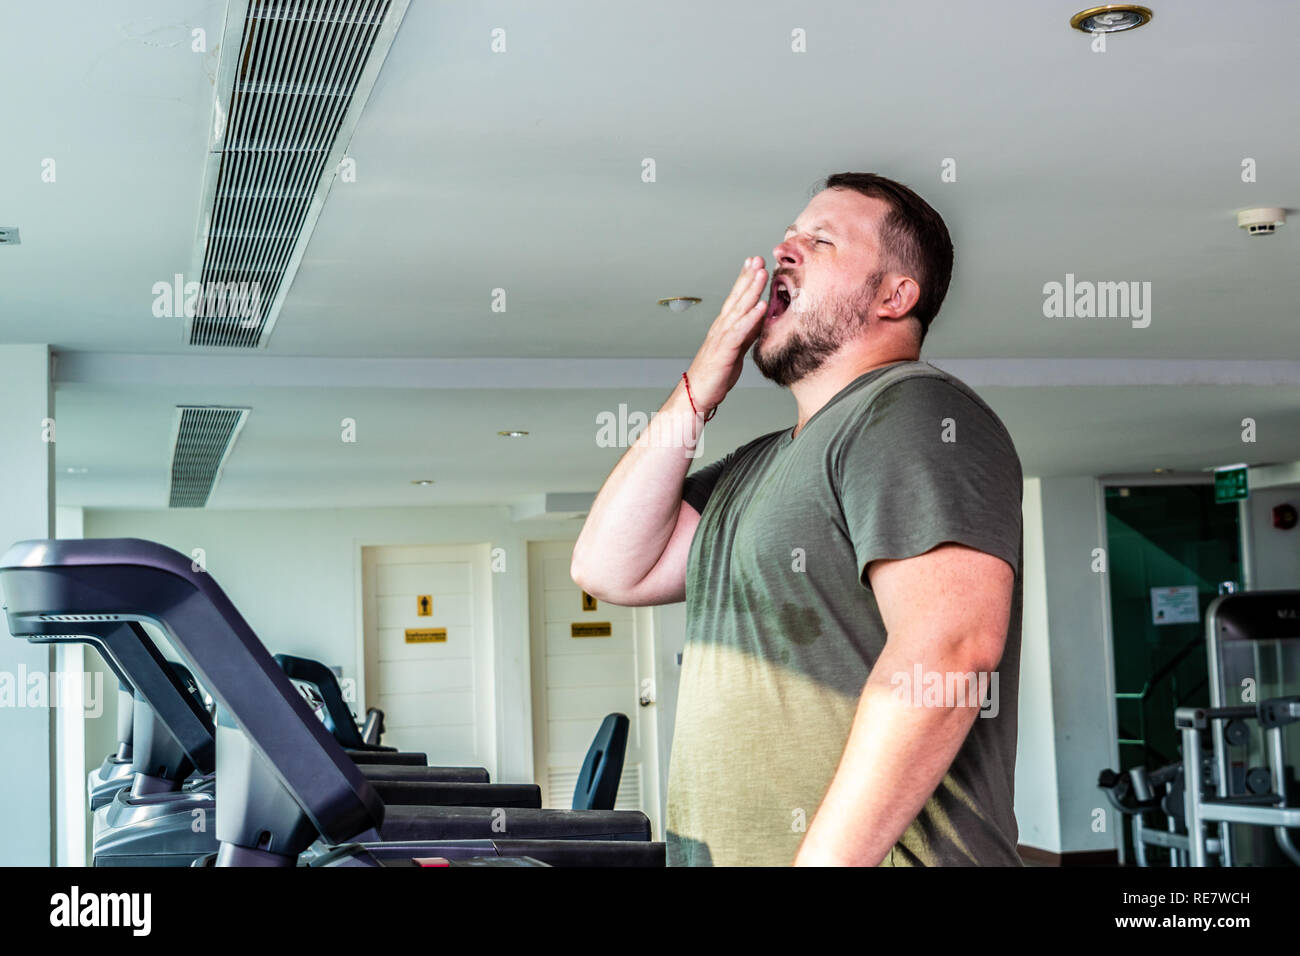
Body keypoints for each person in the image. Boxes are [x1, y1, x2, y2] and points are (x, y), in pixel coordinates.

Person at [571, 172, 1023, 866]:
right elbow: (607, 567)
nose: (785, 251)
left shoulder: (913, 412)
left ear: (894, 295)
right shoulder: (760, 465)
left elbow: (949, 654)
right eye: (787, 238)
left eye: (820, 240)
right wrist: (700, 385)